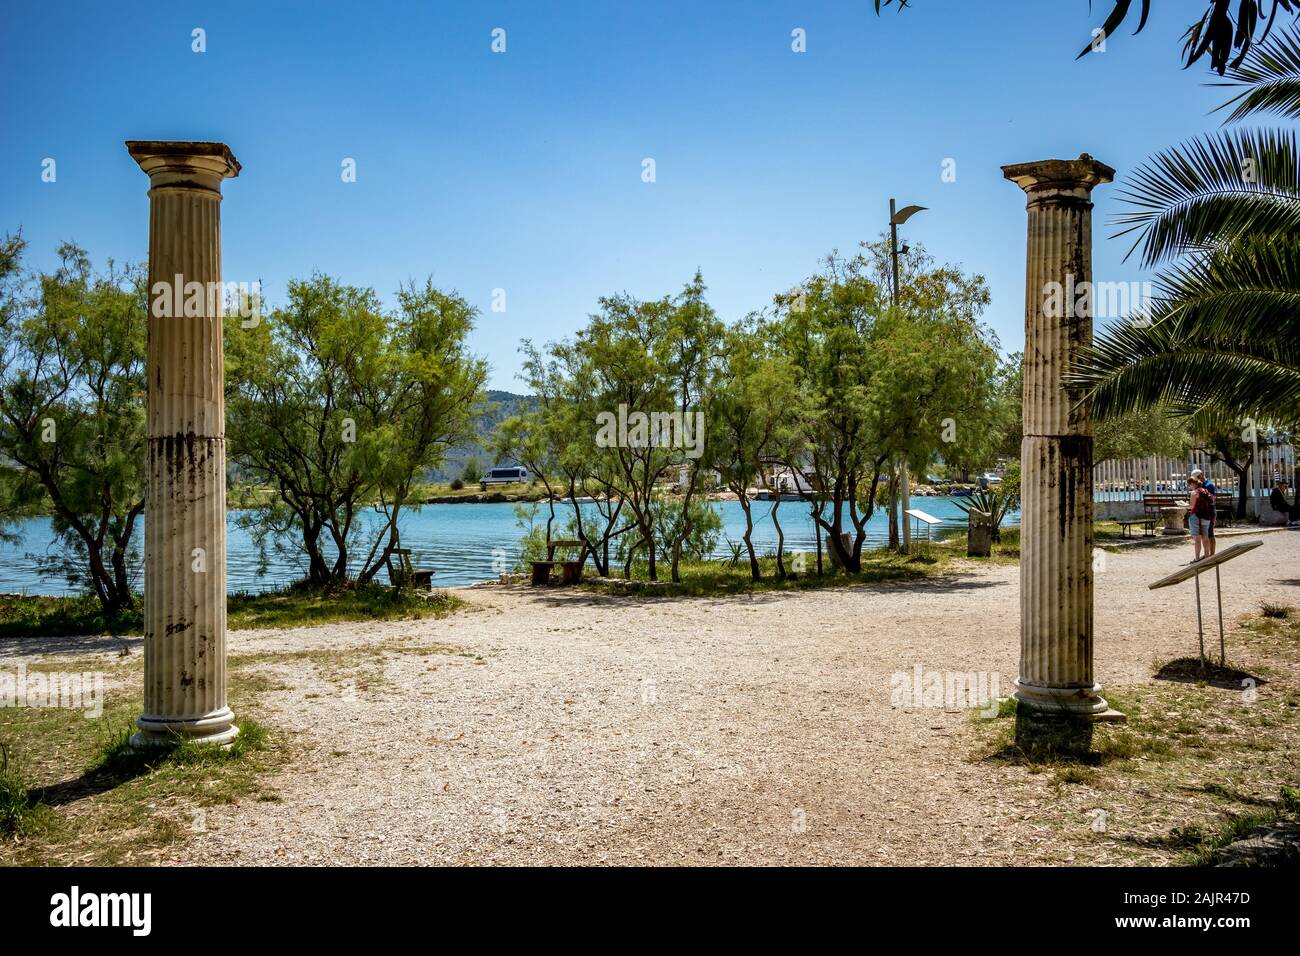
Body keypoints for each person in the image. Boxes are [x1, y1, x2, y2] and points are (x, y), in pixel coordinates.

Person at [1187, 477, 1215, 562]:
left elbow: (1192, 506)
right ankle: (1207, 557)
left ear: (1193, 484)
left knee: (1197, 539)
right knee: (1205, 538)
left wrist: (1183, 505)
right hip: (1206, 516)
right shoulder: (1205, 491)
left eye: (1189, 484)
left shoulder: (1194, 492)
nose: (1189, 486)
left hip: (1196, 517)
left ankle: (1197, 558)